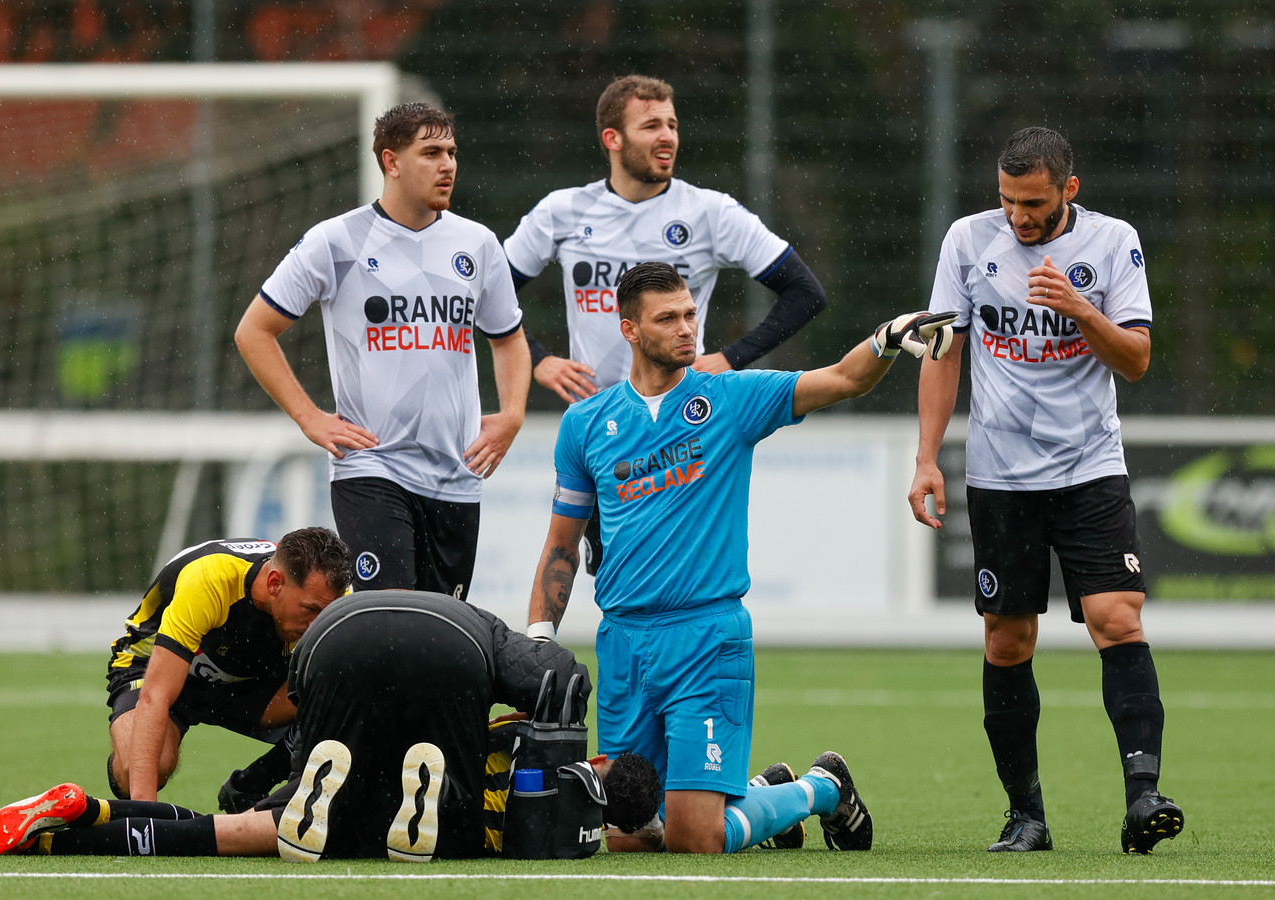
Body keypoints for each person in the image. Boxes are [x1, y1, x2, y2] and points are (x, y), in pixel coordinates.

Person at [526, 261, 956, 854]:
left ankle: (820, 788)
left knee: (695, 840)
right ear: (628, 330)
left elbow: (840, 380)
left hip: (706, 637)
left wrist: (884, 340)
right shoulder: (584, 424)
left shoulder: (728, 400)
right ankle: (760, 793)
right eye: (667, 318)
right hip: (623, 643)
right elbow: (560, 545)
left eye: (689, 314)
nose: (686, 328)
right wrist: (540, 636)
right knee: (632, 841)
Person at [907, 126, 1184, 855]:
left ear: (1070, 189)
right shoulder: (968, 241)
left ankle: (1143, 797)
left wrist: (1080, 309)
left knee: (1117, 618)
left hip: (1090, 464)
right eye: (1007, 201)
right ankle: (1025, 815)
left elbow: (1137, 360)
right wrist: (926, 458)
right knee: (1007, 638)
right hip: (1000, 472)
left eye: (1032, 203)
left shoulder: (1113, 242)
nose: (1018, 217)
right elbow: (942, 350)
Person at [0, 590, 661, 860]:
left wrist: (261, 777)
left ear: (600, 761)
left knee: (246, 822)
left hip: (339, 657)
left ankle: (82, 817)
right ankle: (418, 813)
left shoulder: (518, 717)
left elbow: (551, 686)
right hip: (447, 784)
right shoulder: (563, 814)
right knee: (248, 835)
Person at [503, 74, 828, 575]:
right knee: (613, 575)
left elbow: (806, 292)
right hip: (598, 429)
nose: (668, 137)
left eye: (672, 125)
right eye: (651, 125)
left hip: (679, 425)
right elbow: (488, 298)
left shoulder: (709, 212)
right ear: (613, 138)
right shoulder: (563, 211)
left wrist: (730, 358)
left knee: (674, 571)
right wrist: (540, 361)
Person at [235, 101, 531, 598]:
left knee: (441, 634)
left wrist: (513, 415)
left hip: (456, 476)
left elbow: (509, 339)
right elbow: (254, 331)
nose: (448, 165)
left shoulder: (478, 244)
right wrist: (310, 417)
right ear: (390, 162)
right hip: (372, 468)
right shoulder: (336, 241)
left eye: (452, 153)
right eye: (432, 152)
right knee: (389, 620)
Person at [105, 527, 352, 803]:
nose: (315, 625)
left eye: (325, 612)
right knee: (141, 770)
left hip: (249, 685)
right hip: (158, 669)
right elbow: (155, 696)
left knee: (343, 703)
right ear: (274, 584)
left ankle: (250, 784)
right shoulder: (209, 580)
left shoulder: (330, 597)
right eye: (309, 610)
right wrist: (144, 818)